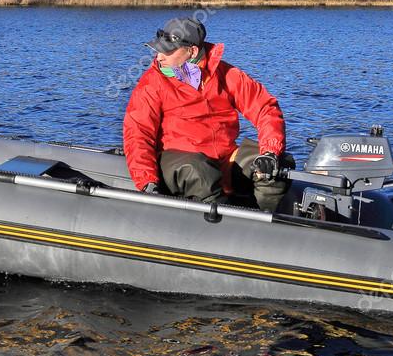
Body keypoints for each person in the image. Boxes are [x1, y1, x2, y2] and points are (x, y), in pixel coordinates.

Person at [122, 17, 291, 212]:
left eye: (167, 50)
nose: (159, 57)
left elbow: (265, 108)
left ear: (192, 51)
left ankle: (263, 226)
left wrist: (269, 152)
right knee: (200, 172)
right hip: (178, 160)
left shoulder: (225, 74)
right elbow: (137, 134)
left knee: (275, 168)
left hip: (224, 157)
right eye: (159, 50)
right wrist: (147, 182)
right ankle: (227, 228)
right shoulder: (152, 83)